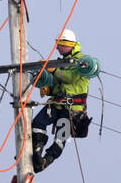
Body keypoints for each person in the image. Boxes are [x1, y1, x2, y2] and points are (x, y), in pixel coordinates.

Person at [31, 28, 89, 172]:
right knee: (37, 124)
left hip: (72, 109)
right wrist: (49, 89)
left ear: (68, 44)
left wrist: (54, 70)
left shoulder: (82, 62)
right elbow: (58, 84)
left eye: (59, 45)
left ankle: (46, 160)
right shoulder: (61, 62)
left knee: (60, 138)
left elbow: (70, 78)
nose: (57, 47)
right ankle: (37, 151)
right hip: (57, 105)